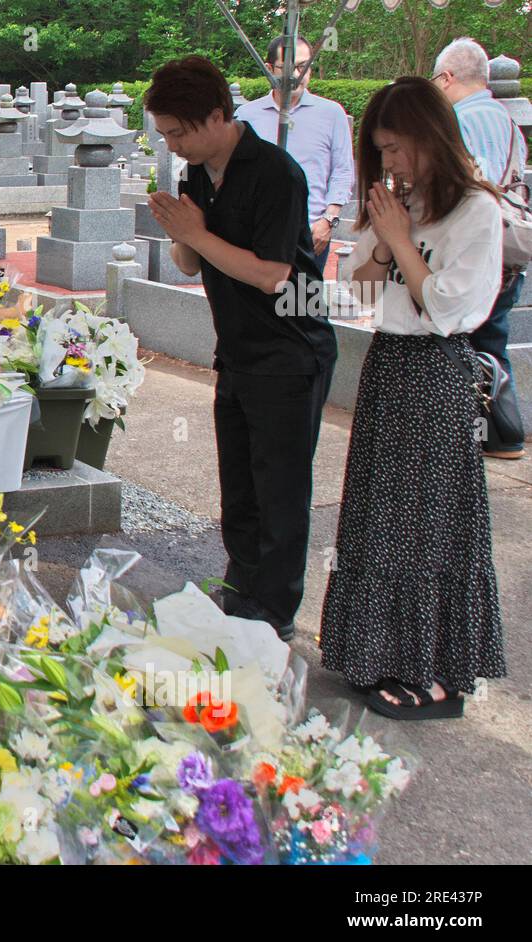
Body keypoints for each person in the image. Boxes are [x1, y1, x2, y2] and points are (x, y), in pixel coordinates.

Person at [320, 77, 506, 720]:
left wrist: (399, 239)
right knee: (380, 513)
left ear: (432, 138)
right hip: (391, 364)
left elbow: (452, 307)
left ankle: (436, 675)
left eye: (398, 148)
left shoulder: (476, 210)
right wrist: (381, 238)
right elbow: (358, 291)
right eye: (382, 151)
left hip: (437, 371)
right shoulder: (406, 203)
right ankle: (376, 653)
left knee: (428, 523)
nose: (391, 162)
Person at [145, 56, 338, 640]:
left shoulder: (274, 172)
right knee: (239, 485)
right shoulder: (199, 172)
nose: (173, 145)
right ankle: (239, 593)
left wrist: (196, 233)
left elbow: (273, 274)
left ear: (216, 115)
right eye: (165, 135)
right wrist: (183, 235)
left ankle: (272, 613)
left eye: (179, 131)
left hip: (289, 348)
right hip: (237, 349)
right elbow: (188, 261)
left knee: (279, 489)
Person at [432, 36, 527, 459]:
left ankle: (468, 439)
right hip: (509, 258)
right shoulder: (508, 123)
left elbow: (469, 192)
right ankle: (503, 433)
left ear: (448, 77)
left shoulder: (458, 121)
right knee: (493, 349)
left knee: (461, 355)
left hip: (473, 259)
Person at [236, 35, 354, 275]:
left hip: (311, 234)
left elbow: (342, 170)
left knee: (302, 307)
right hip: (257, 234)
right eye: (287, 68)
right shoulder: (247, 116)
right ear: (269, 69)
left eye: (303, 66)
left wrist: (328, 220)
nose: (296, 75)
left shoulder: (332, 114)